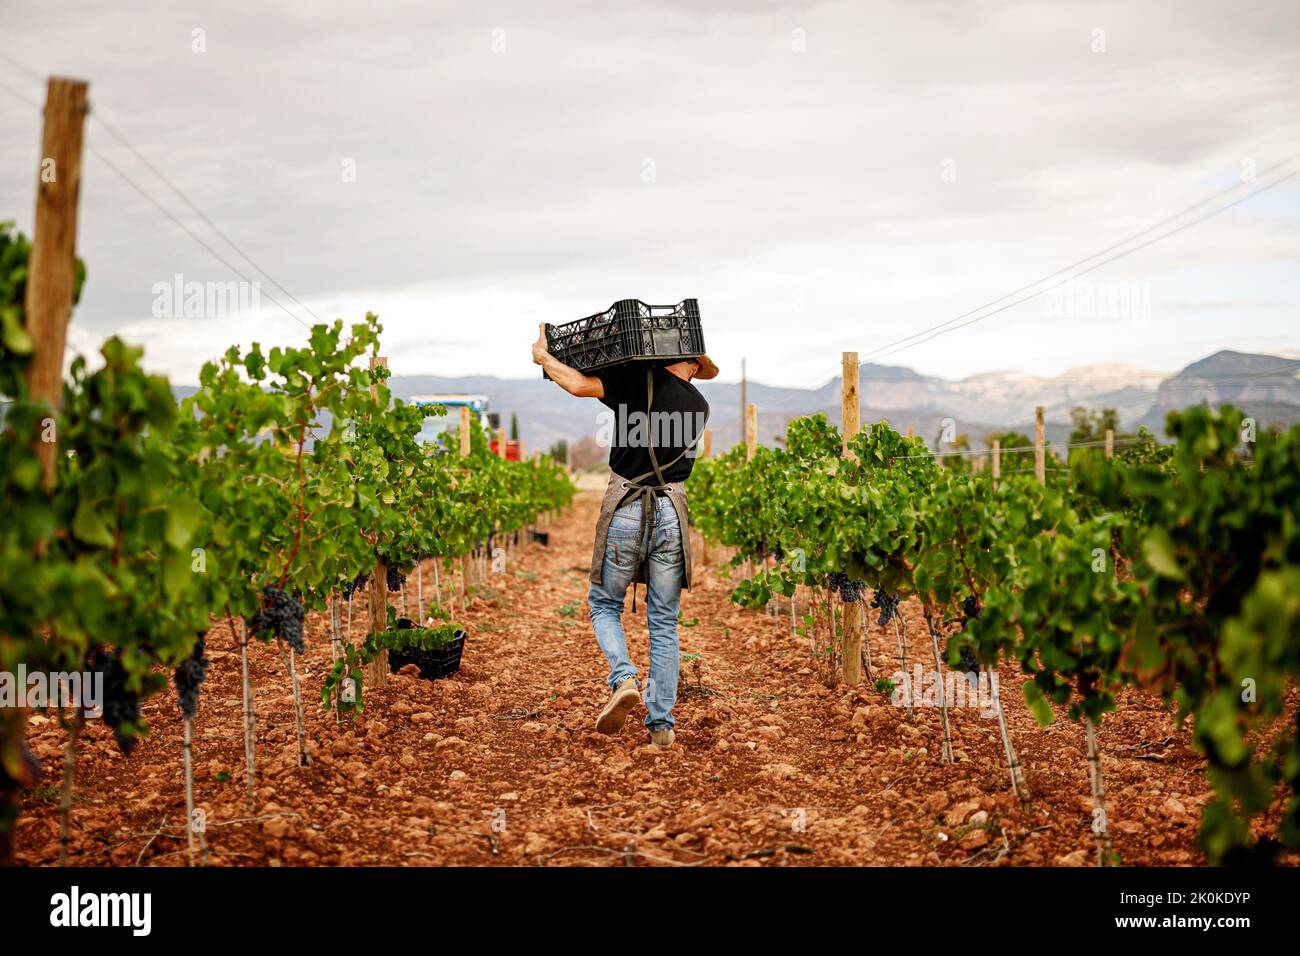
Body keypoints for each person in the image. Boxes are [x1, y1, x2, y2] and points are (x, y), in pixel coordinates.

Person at [532, 323, 717, 748]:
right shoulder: (700, 406)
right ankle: (662, 725)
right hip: (672, 511)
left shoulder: (637, 379)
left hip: (627, 505)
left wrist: (544, 358)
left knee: (603, 603)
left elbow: (578, 385)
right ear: (692, 362)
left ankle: (624, 678)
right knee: (664, 621)